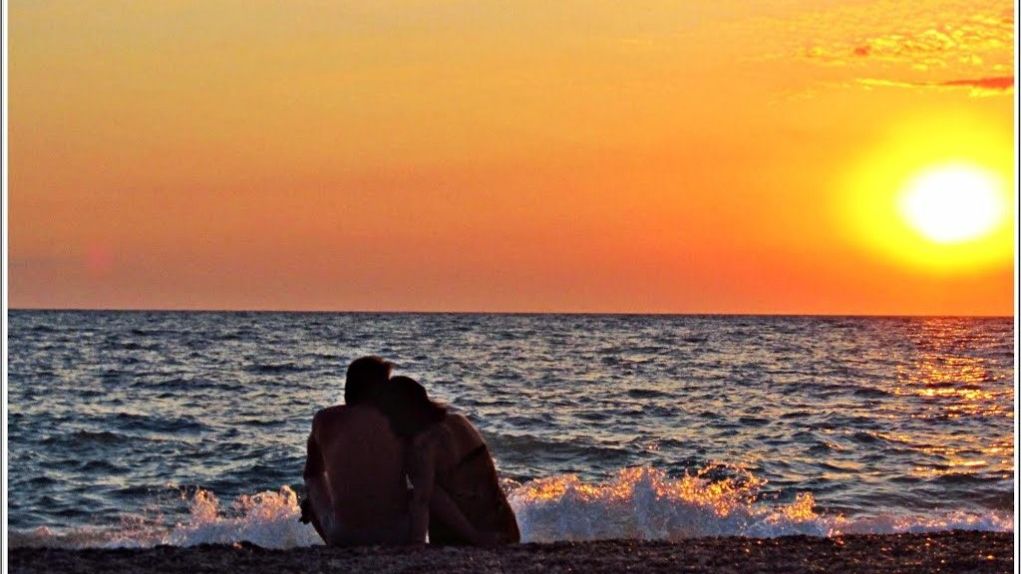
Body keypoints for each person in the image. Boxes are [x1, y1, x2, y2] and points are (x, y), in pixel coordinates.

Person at [372, 376, 520, 545]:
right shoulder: (459, 421)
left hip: (471, 536)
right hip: (505, 526)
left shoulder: (422, 445)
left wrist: (417, 543)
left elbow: (424, 499)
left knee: (419, 492)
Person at [301, 356, 414, 545]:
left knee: (311, 497)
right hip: (399, 534)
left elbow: (311, 474)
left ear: (348, 388)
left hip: (344, 536)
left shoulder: (324, 419)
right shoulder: (399, 419)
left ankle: (335, 544)